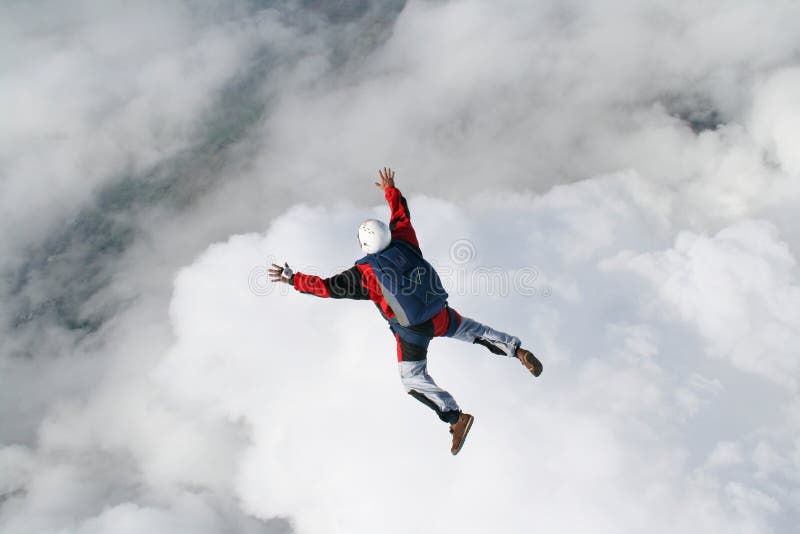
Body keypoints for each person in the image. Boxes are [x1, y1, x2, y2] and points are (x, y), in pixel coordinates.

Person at [269, 168, 542, 455]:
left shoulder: (364, 274)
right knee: (475, 332)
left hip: (412, 332)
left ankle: (455, 416)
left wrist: (292, 278)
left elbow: (324, 287)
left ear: (362, 245)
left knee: (412, 379)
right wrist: (390, 189)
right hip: (439, 314)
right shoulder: (404, 239)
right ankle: (517, 351)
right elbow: (401, 215)